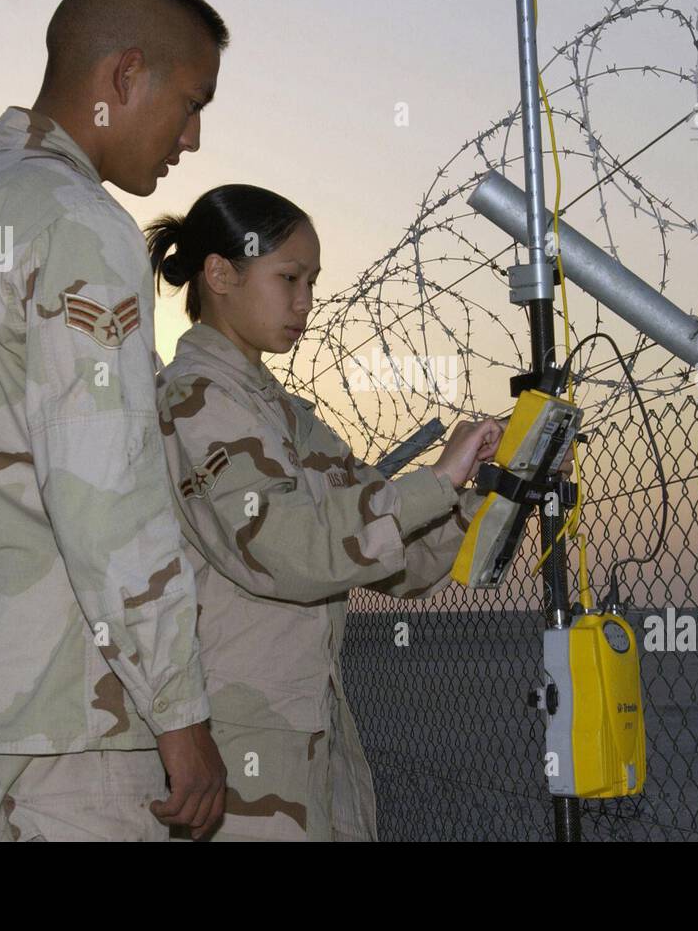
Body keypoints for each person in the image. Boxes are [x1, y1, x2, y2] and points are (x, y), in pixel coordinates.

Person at [0, 0, 229, 841]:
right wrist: (181, 714)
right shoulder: (77, 221)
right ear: (124, 77)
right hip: (61, 738)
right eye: (192, 102)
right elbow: (105, 496)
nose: (190, 139)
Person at [150, 184, 506, 841]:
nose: (306, 301)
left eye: (311, 281)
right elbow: (290, 553)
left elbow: (401, 567)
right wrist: (438, 478)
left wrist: (492, 485)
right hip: (239, 755)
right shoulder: (196, 403)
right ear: (220, 273)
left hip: (312, 736)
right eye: (288, 277)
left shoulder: (286, 419)